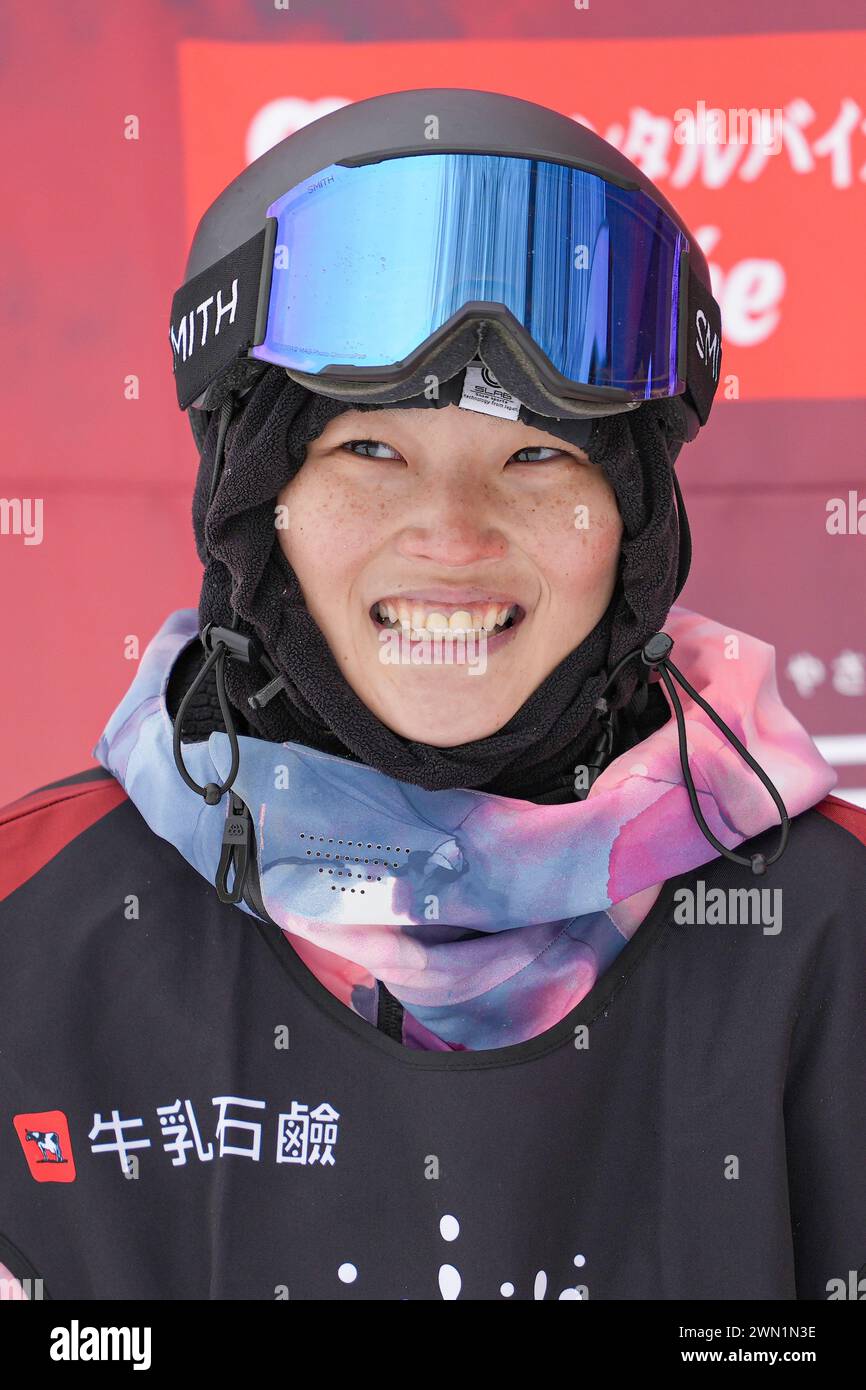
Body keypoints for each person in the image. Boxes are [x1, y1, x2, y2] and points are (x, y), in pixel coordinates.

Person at [1, 88, 864, 1303]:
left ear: (632, 523)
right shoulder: (32, 935)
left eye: (534, 456)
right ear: (257, 510)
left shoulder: (829, 929)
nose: (451, 536)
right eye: (368, 450)